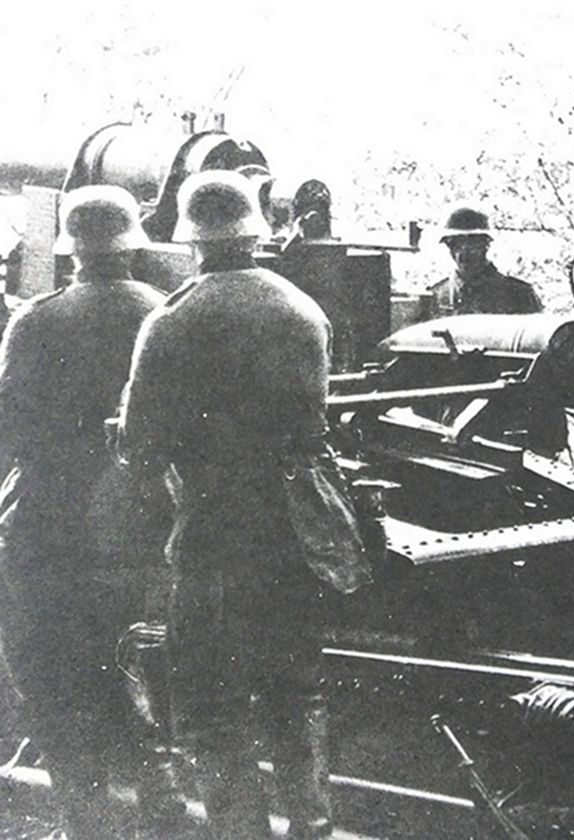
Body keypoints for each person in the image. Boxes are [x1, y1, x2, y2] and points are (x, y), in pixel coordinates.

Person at [118, 170, 337, 839]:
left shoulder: (174, 320)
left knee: (212, 706)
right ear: (254, 231)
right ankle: (313, 825)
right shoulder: (303, 310)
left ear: (192, 241)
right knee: (294, 694)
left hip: (215, 539)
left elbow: (141, 451)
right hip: (296, 539)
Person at [0, 185, 178, 838]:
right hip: (146, 532)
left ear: (69, 249)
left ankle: (86, 823)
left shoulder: (37, 321)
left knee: (53, 683)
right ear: (132, 246)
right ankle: (161, 811)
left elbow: (7, 429)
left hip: (51, 532)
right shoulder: (165, 312)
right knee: (131, 678)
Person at [425, 207, 542, 318]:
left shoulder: (518, 295)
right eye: (455, 244)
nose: (463, 252)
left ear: (485, 244)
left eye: (472, 243)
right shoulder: (435, 297)